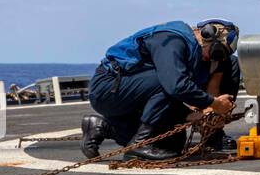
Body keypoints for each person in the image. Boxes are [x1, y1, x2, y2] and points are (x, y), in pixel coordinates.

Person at [81, 19, 240, 161]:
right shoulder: (170, 40)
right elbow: (174, 85)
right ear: (207, 35)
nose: (215, 59)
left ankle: (102, 127)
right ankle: (139, 144)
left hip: (140, 95)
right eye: (217, 53)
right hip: (108, 90)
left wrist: (194, 115)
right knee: (167, 80)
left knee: (172, 144)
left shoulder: (199, 53)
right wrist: (213, 103)